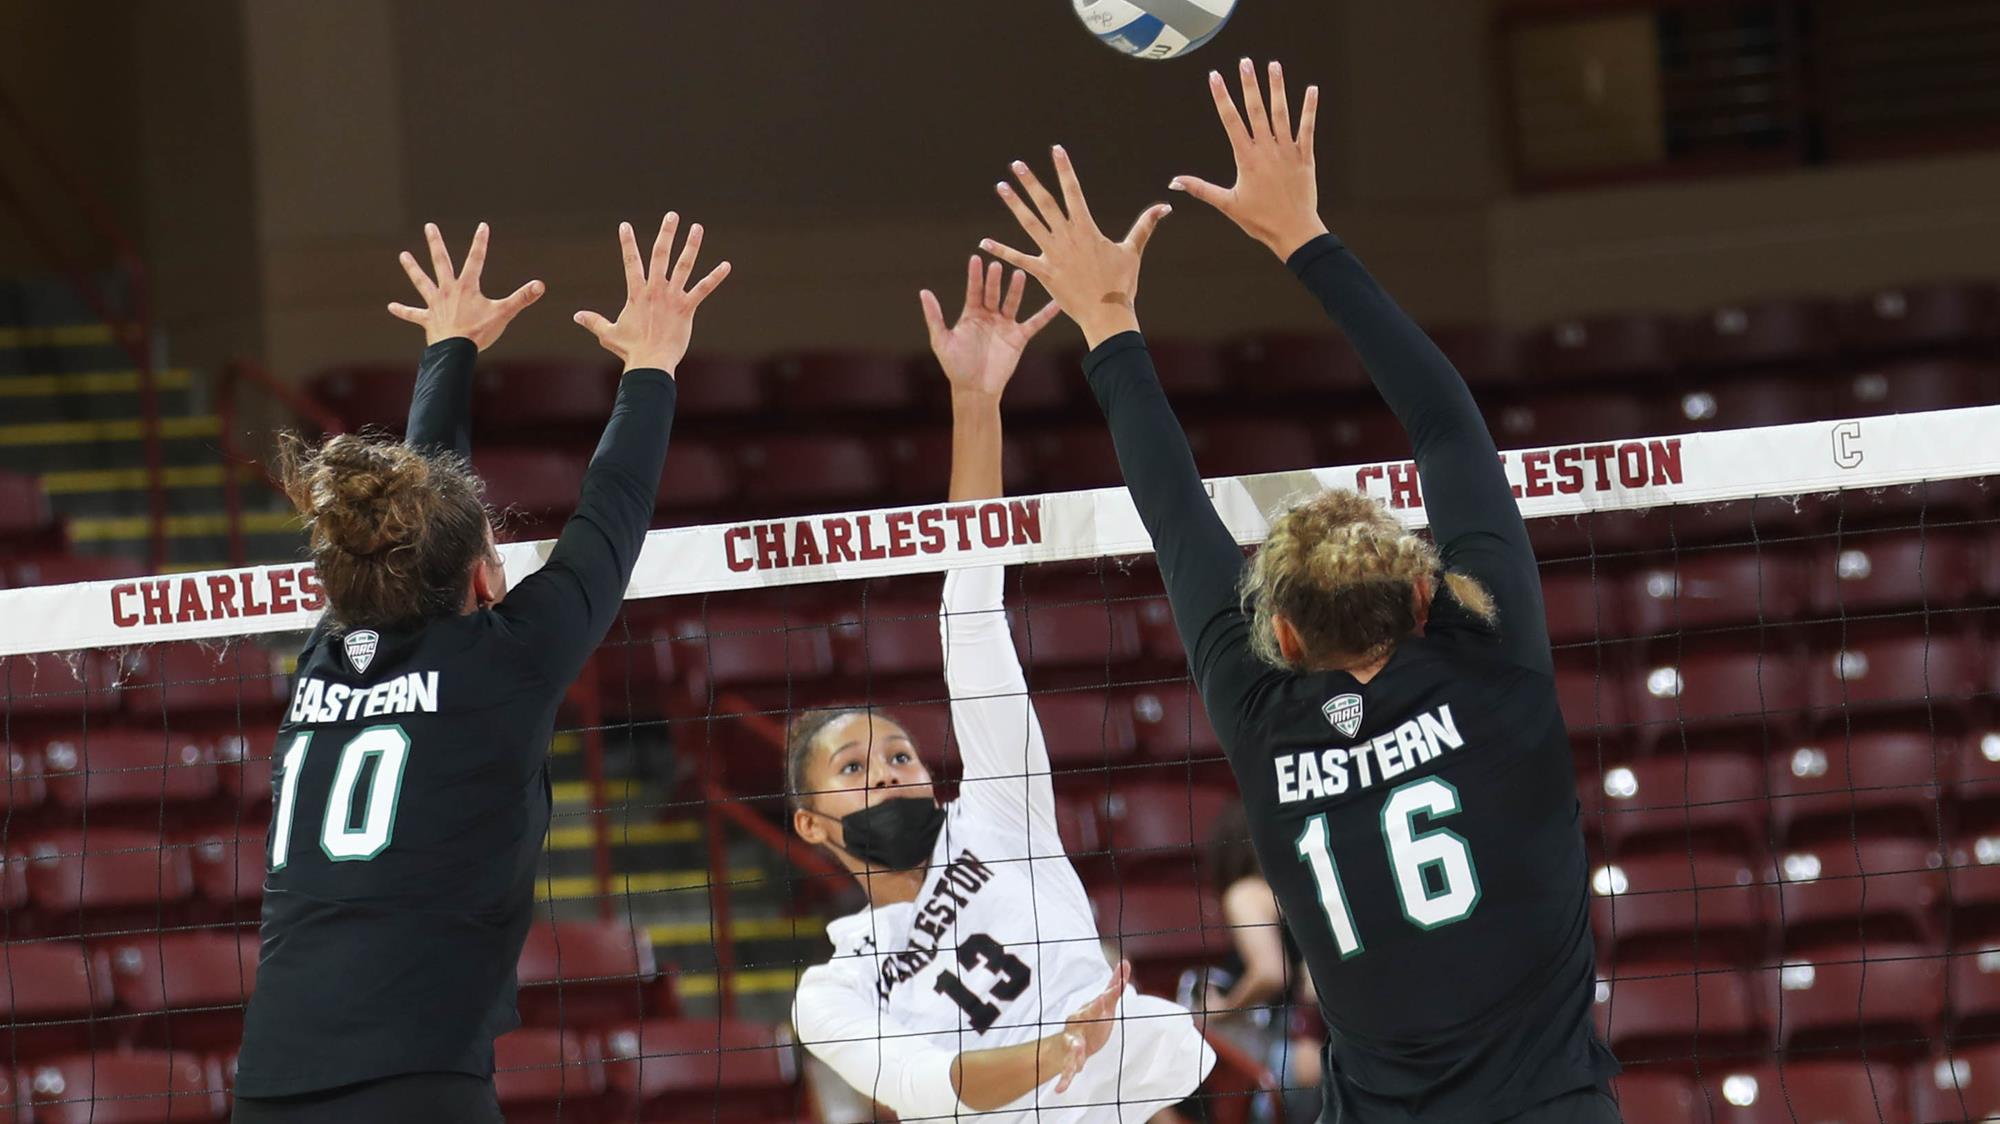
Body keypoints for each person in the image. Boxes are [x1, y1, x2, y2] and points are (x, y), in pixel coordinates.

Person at [978, 60, 1622, 1123]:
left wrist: (1105, 321)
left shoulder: (1263, 716)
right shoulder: (1490, 658)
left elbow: (1172, 513)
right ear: (1423, 600)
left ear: (1276, 627)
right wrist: (1300, 235)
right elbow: (1448, 424)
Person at [232, 217, 730, 1122]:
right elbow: (612, 509)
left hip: (269, 1081)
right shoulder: (503, 661)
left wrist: (448, 349)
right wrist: (653, 363)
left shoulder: (326, 653)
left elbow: (425, 517)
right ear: (480, 578)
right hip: (420, 1079)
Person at [788, 258, 1216, 1122]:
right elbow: (926, 1092)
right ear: (808, 823)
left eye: (900, 753)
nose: (888, 772)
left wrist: (975, 402)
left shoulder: (999, 811)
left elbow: (972, 612)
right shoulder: (830, 991)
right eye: (853, 766)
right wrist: (1061, 1050)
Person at [1190, 806, 1322, 1124]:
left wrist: (1224, 1007)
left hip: (1288, 1051)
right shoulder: (1299, 885)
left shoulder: (1245, 892)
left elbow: (1270, 973)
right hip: (1320, 1044)